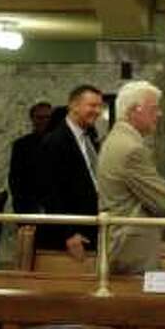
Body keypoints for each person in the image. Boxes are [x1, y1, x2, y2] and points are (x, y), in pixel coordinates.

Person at [96, 80, 165, 275]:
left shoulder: (115, 139)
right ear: (134, 110)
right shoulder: (132, 148)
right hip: (131, 249)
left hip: (120, 242)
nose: (159, 114)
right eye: (154, 109)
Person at [44, 85, 105, 256]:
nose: (98, 111)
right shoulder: (55, 141)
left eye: (100, 106)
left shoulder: (89, 136)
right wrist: (69, 233)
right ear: (73, 106)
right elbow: (51, 193)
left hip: (93, 225)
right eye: (92, 106)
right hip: (73, 233)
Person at [8, 101, 55, 215]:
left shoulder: (63, 144)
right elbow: (15, 180)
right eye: (39, 117)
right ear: (32, 119)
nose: (44, 121)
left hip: (56, 207)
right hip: (28, 206)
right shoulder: (21, 145)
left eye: (47, 117)